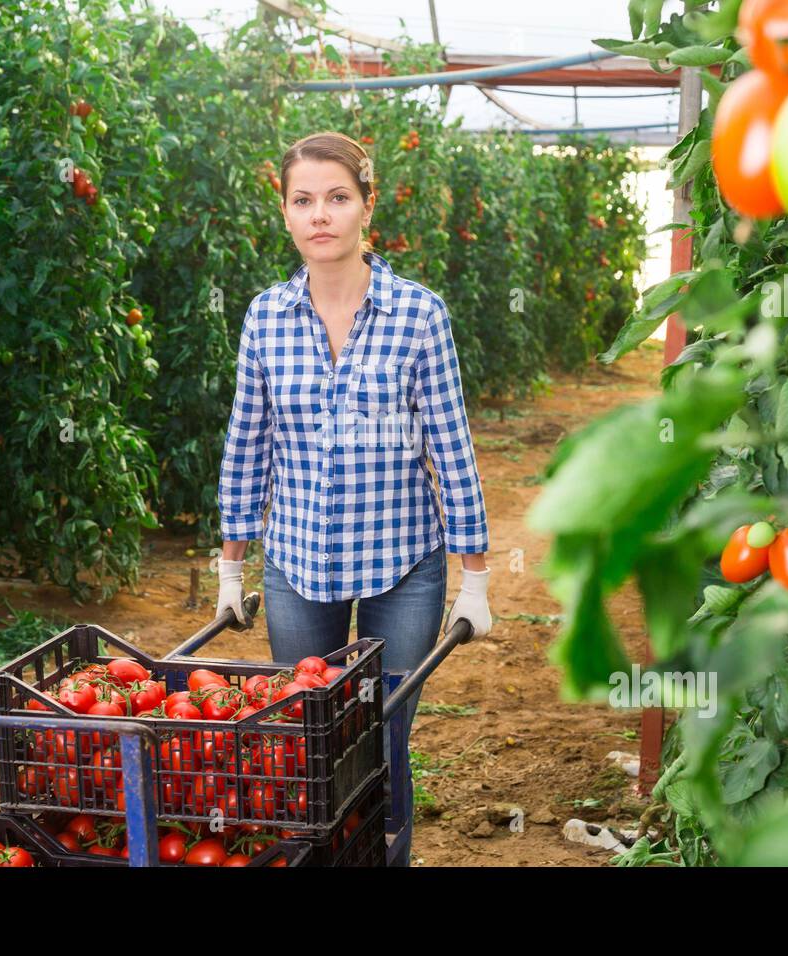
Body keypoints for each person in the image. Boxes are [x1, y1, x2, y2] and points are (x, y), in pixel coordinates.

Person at [215, 131, 491, 864]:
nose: (321, 215)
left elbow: (451, 450)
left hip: (405, 566)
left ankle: (383, 859)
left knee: (382, 733)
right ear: (285, 214)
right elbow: (248, 447)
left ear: (367, 205)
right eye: (303, 201)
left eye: (338, 198)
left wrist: (477, 578)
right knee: (308, 732)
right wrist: (229, 569)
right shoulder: (265, 318)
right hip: (298, 565)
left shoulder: (419, 315)